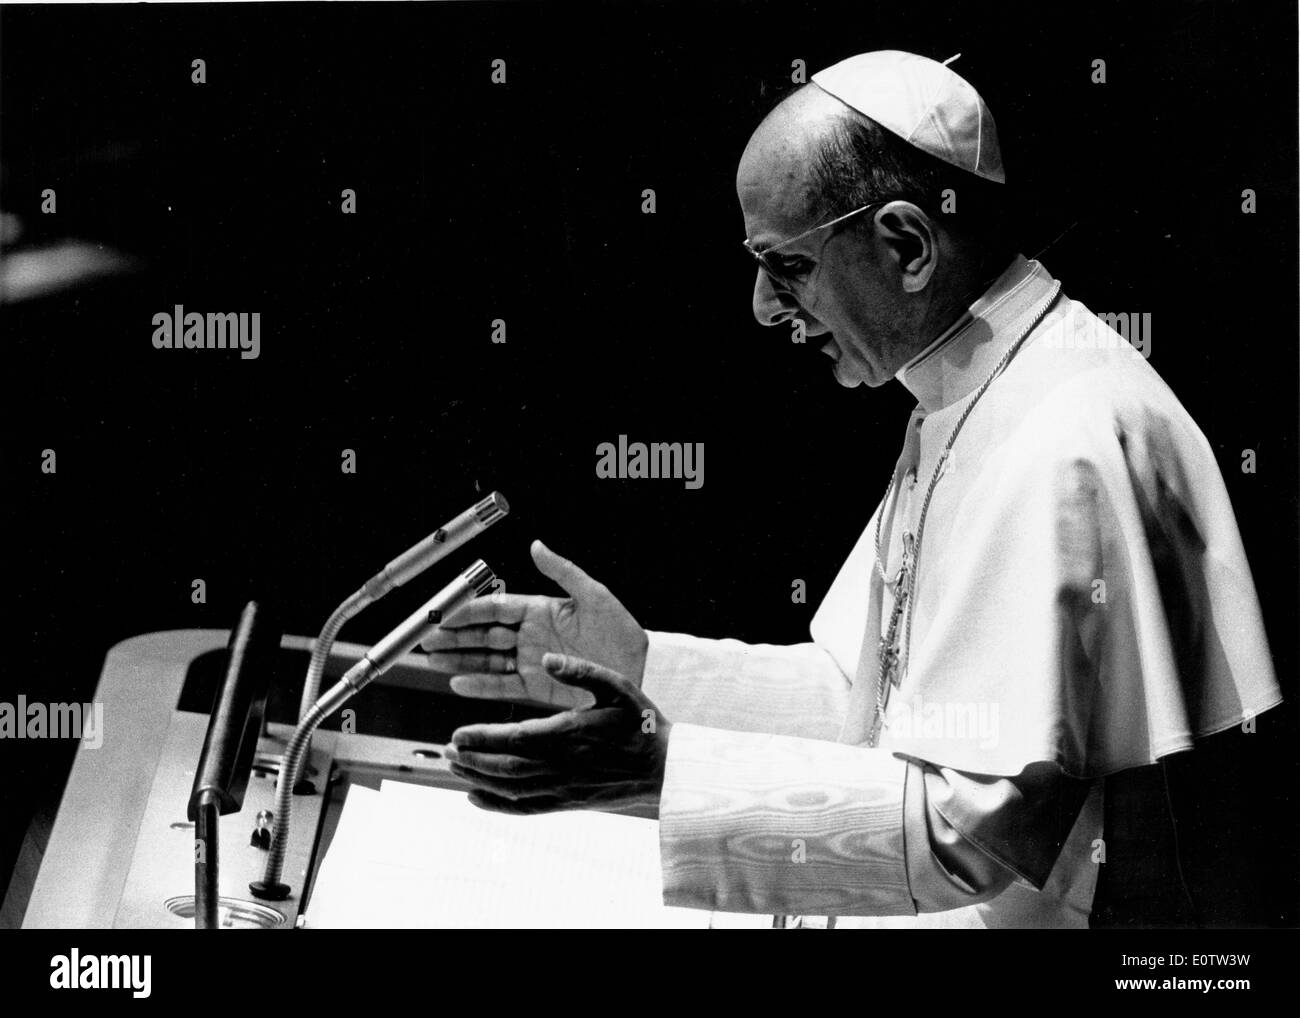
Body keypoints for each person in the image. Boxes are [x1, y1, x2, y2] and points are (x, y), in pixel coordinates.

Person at [422, 50, 1282, 928]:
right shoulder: (965, 390)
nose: (762, 307)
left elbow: (969, 833)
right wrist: (646, 670)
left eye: (785, 266)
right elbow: (869, 705)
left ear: (907, 245)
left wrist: (663, 775)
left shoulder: (1068, 440)